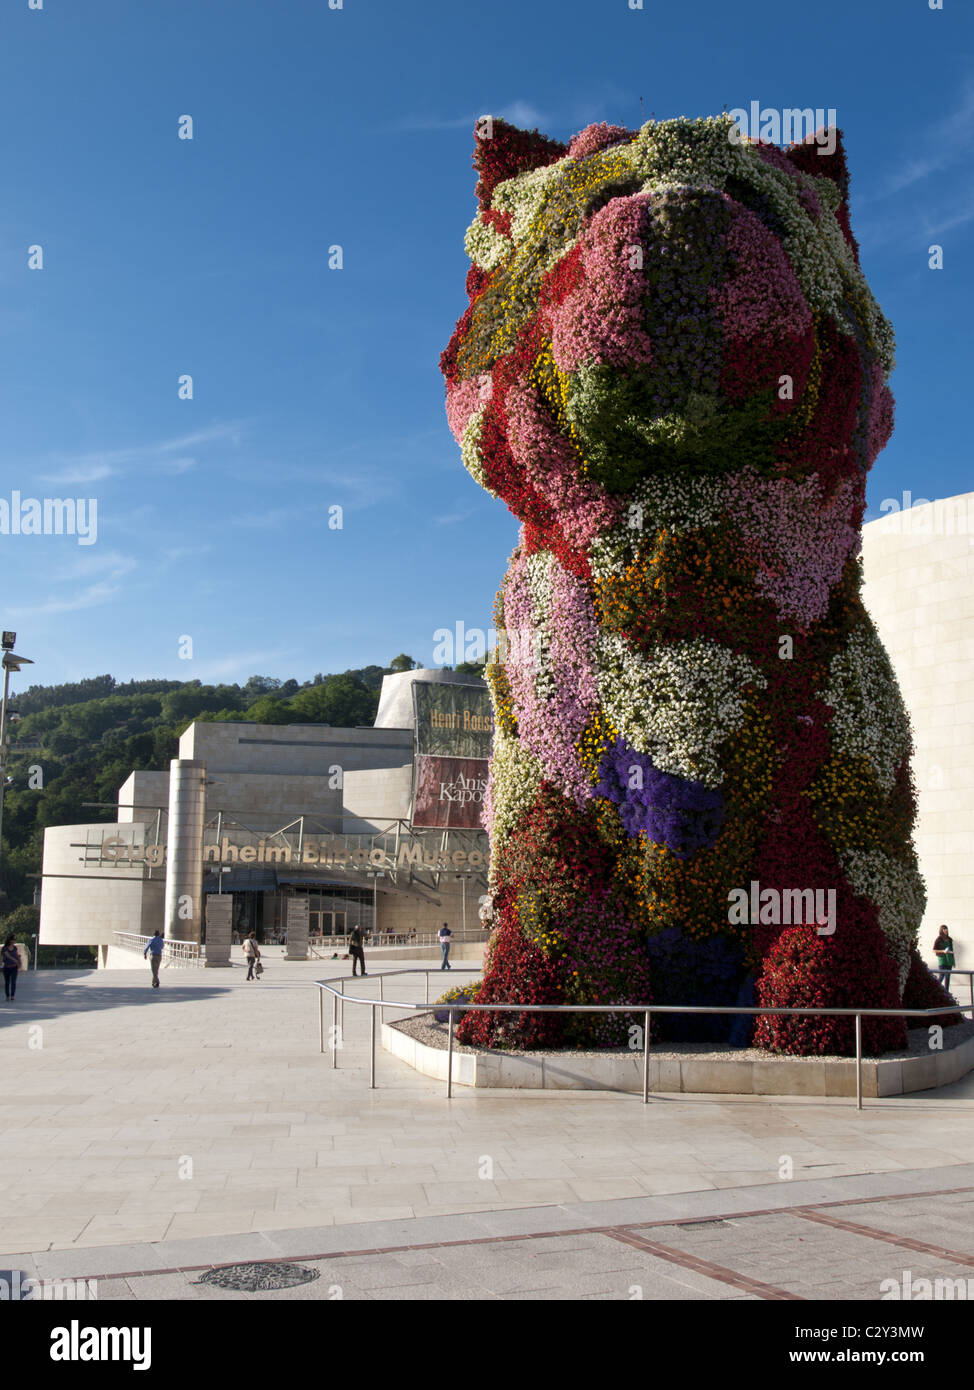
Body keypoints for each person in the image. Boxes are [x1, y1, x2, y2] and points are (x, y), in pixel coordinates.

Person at [933, 925, 955, 991]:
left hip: (949, 960)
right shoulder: (939, 939)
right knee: (942, 976)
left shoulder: (950, 939)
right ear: (941, 930)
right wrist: (943, 951)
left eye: (947, 929)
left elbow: (952, 950)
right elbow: (934, 950)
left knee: (948, 977)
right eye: (944, 929)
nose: (946, 930)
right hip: (942, 959)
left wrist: (953, 961)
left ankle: (947, 992)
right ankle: (936, 989)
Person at [2, 935, 21, 1001]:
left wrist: (19, 961)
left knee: (13, 981)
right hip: (6, 967)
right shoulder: (5, 948)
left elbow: (17, 955)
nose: (15, 941)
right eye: (14, 939)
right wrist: (15, 960)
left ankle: (12, 995)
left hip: (14, 967)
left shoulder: (15, 948)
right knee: (7, 982)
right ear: (10, 940)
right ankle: (7, 995)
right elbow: (8, 956)